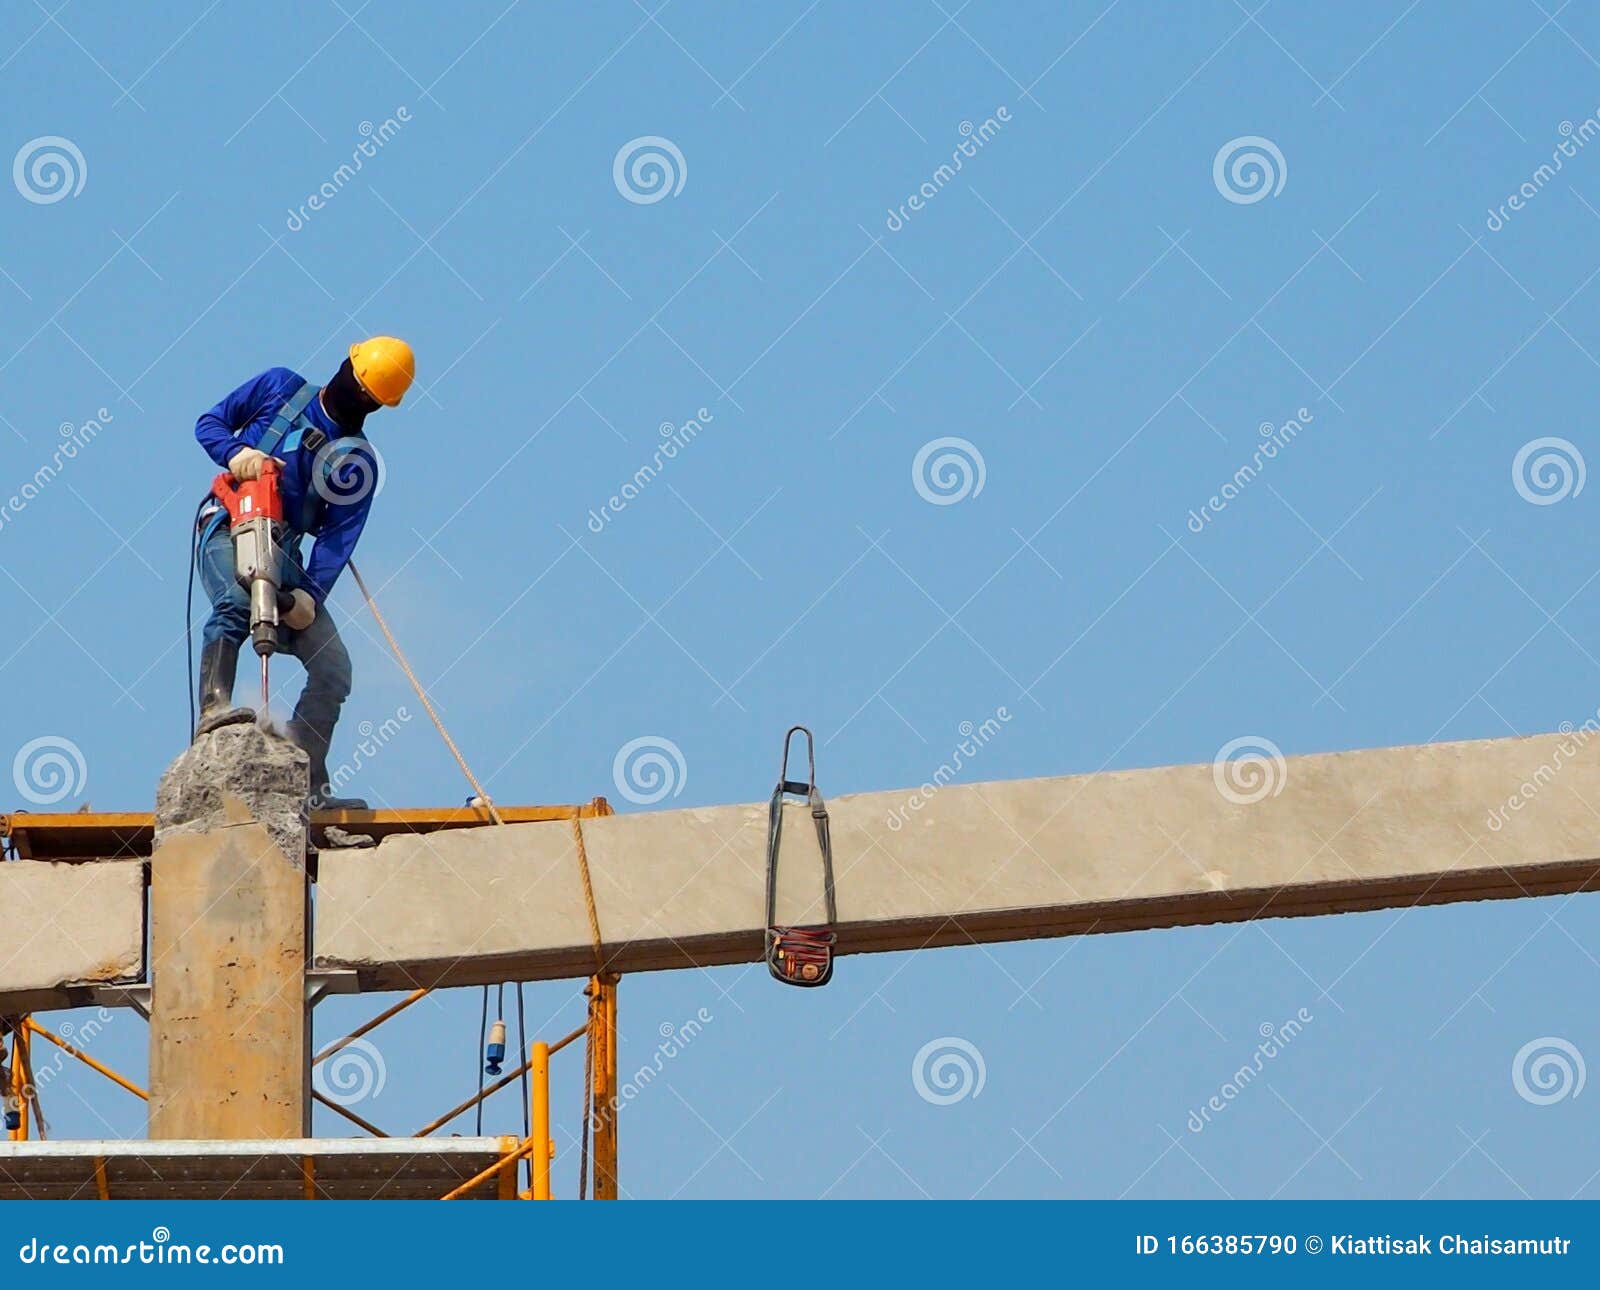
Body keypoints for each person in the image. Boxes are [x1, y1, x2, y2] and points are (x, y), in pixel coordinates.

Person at [191, 337, 415, 809]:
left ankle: (305, 781)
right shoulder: (279, 389)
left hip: (286, 555)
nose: (356, 395)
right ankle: (215, 708)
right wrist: (236, 453)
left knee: (333, 668)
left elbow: (336, 539)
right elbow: (209, 423)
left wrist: (309, 596)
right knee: (237, 601)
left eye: (366, 394)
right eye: (356, 384)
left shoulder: (355, 462)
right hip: (228, 526)